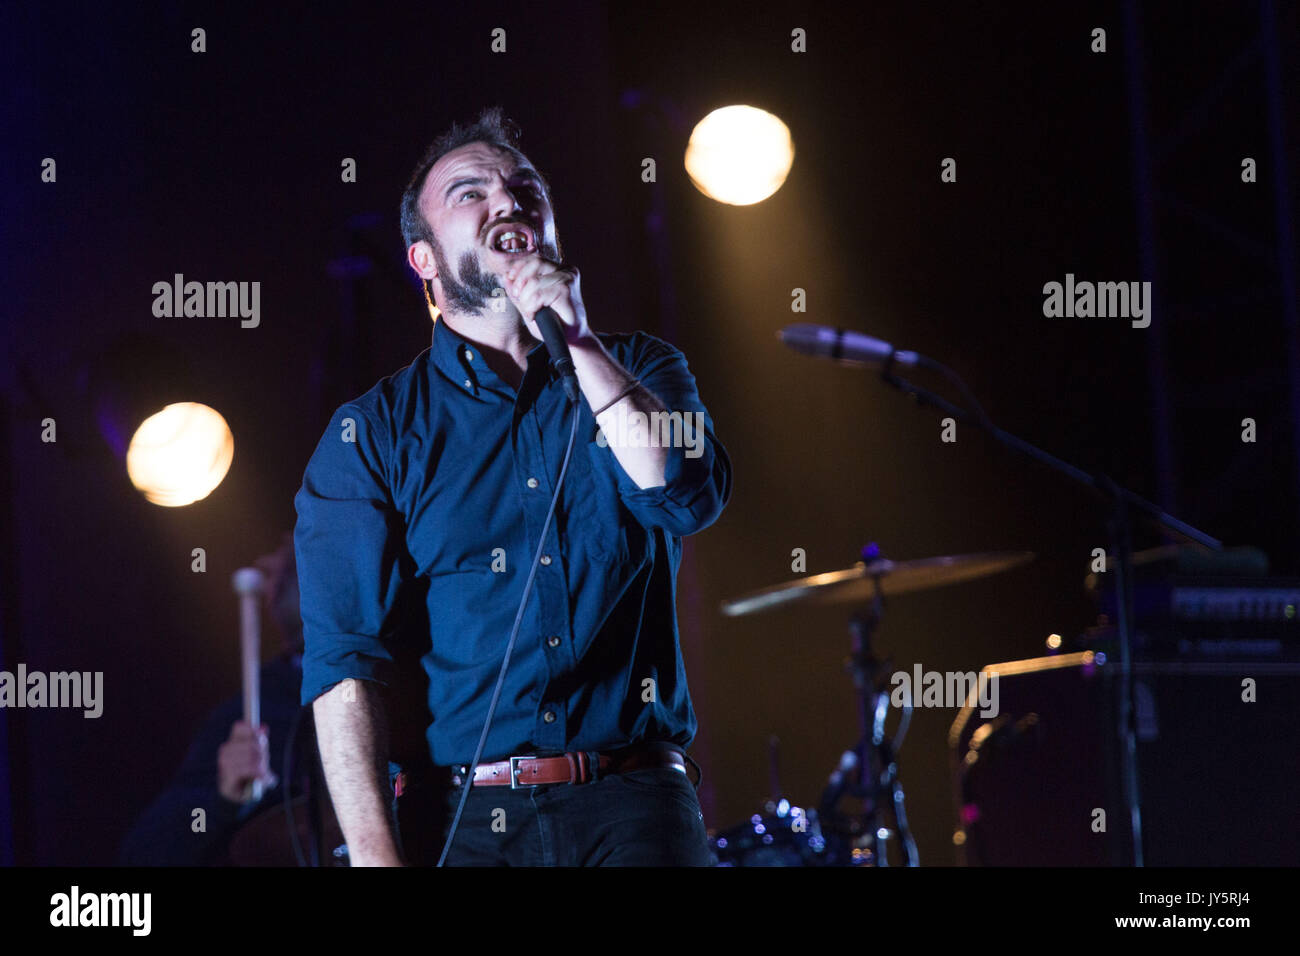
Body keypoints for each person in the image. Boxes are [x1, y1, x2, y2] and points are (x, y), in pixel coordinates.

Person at [294, 106, 732, 866]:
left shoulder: (644, 368)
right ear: (423, 259)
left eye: (525, 190)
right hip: (463, 820)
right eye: (470, 192)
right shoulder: (371, 435)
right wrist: (374, 856)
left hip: (635, 804)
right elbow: (344, 663)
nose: (507, 203)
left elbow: (685, 491)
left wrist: (578, 339)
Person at [118, 538, 331, 865]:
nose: (273, 567)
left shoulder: (406, 681)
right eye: (290, 568)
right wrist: (223, 799)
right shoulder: (254, 710)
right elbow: (144, 855)